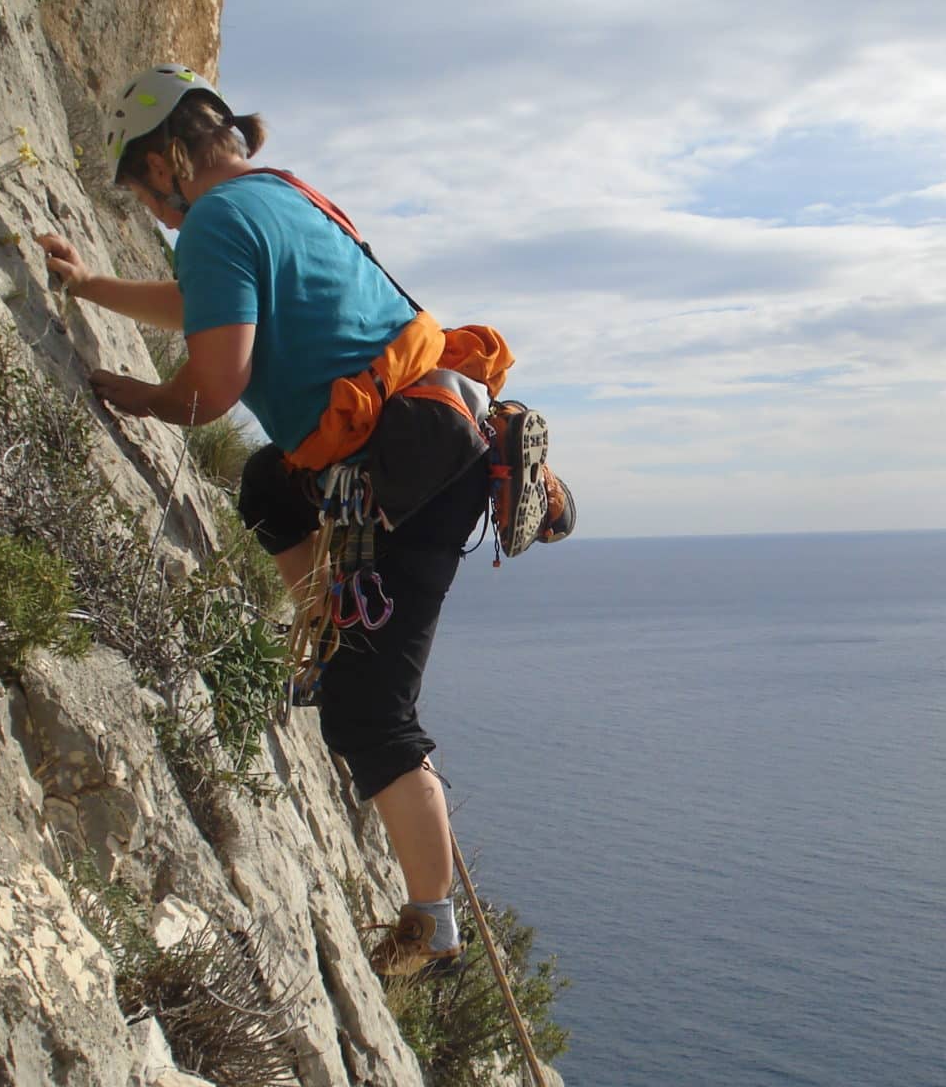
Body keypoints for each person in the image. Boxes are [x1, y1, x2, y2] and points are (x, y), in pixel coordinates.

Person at [36, 64, 570, 977]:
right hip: (431, 423)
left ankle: (432, 925)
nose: (153, 212)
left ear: (167, 159)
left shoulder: (211, 220)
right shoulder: (278, 199)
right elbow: (210, 308)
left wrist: (151, 399)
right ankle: (324, 639)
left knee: (371, 718)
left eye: (142, 189)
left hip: (411, 474)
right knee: (270, 488)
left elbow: (215, 383)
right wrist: (92, 288)